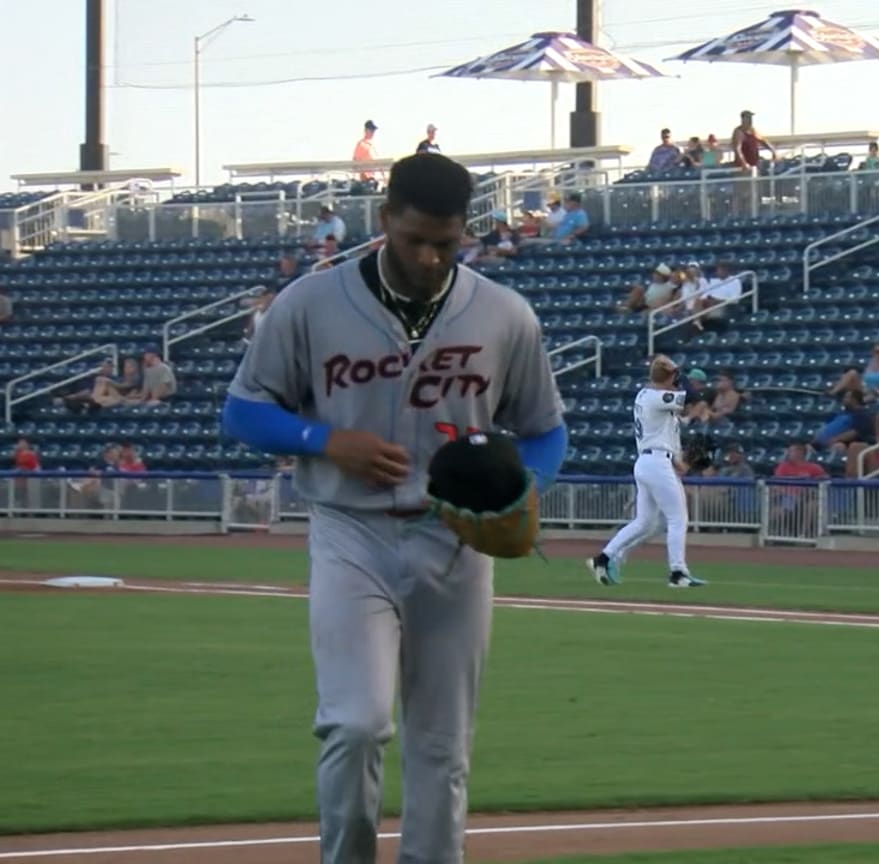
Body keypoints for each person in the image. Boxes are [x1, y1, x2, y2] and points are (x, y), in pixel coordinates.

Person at [219, 152, 570, 864]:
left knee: (443, 747)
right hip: (351, 534)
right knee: (355, 723)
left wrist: (522, 489)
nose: (432, 256)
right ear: (385, 220)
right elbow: (243, 410)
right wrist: (321, 439)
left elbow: (545, 429)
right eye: (415, 239)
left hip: (454, 546)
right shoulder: (309, 304)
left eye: (447, 242)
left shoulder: (504, 313)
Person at [589, 355, 704, 589]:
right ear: (669, 377)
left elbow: (674, 424)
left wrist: (683, 462)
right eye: (674, 377)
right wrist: (678, 374)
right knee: (677, 518)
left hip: (649, 461)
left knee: (645, 522)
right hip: (655, 463)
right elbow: (692, 397)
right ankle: (678, 573)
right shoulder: (655, 397)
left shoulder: (646, 396)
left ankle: (603, 558)